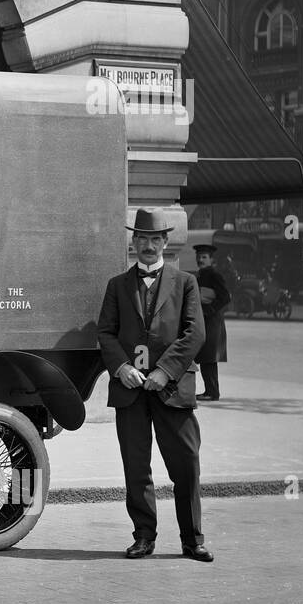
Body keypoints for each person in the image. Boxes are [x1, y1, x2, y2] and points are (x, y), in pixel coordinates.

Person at [97, 208, 212, 562]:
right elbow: (105, 332)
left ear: (166, 242)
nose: (148, 245)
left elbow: (196, 333)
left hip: (172, 389)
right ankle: (144, 536)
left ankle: (192, 540)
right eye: (142, 239)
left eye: (155, 239)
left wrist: (164, 371)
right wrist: (121, 368)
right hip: (130, 390)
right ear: (133, 243)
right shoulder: (117, 285)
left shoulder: (185, 282)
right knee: (136, 467)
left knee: (186, 464)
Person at [193, 243, 230, 401]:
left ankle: (212, 392)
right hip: (204, 320)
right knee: (205, 357)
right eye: (199, 257)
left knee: (209, 357)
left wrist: (210, 310)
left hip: (213, 322)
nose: (200, 260)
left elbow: (225, 297)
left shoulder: (215, 275)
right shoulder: (200, 275)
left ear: (211, 260)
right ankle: (210, 390)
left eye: (204, 257)